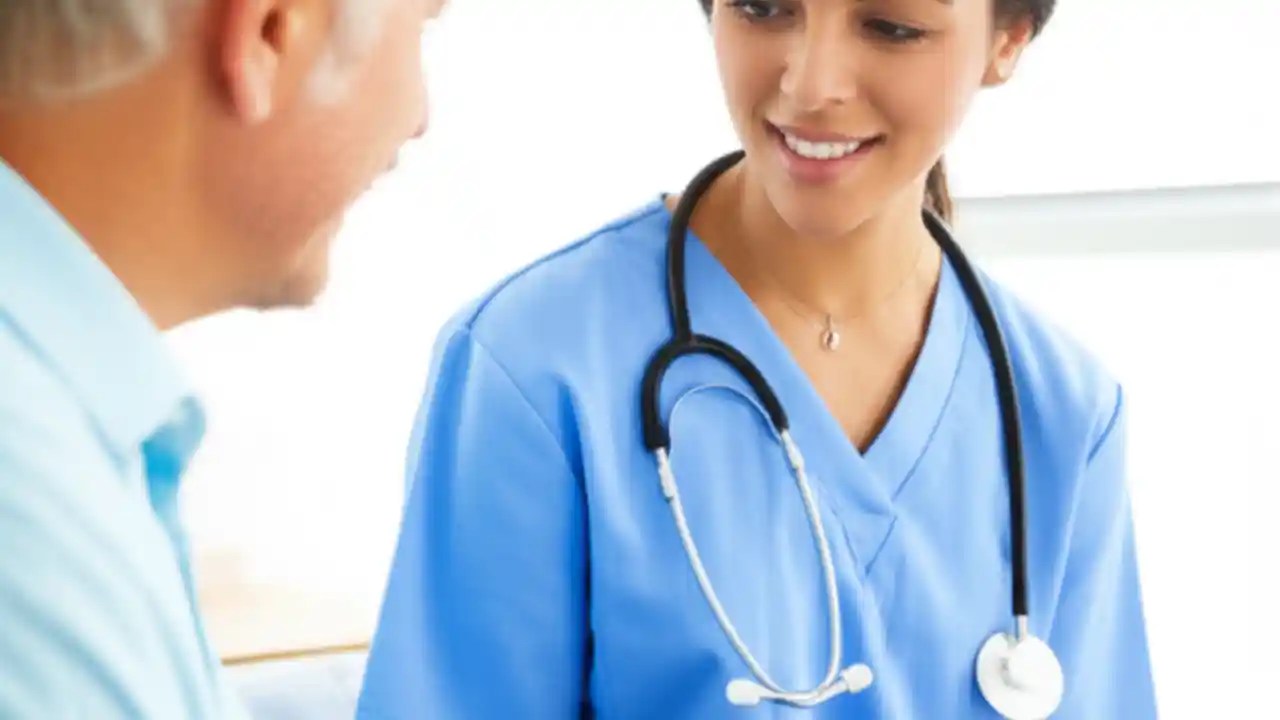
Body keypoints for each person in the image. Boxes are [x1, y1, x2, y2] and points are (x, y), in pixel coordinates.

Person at [358, 0, 1157, 717]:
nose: (812, 83)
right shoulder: (535, 367)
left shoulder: (1062, 411)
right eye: (763, 7)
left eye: (892, 27)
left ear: (1007, 40)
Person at [0, 0, 441, 716]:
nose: (420, 117)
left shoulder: (70, 432)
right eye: (425, 24)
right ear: (271, 27)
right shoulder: (30, 531)